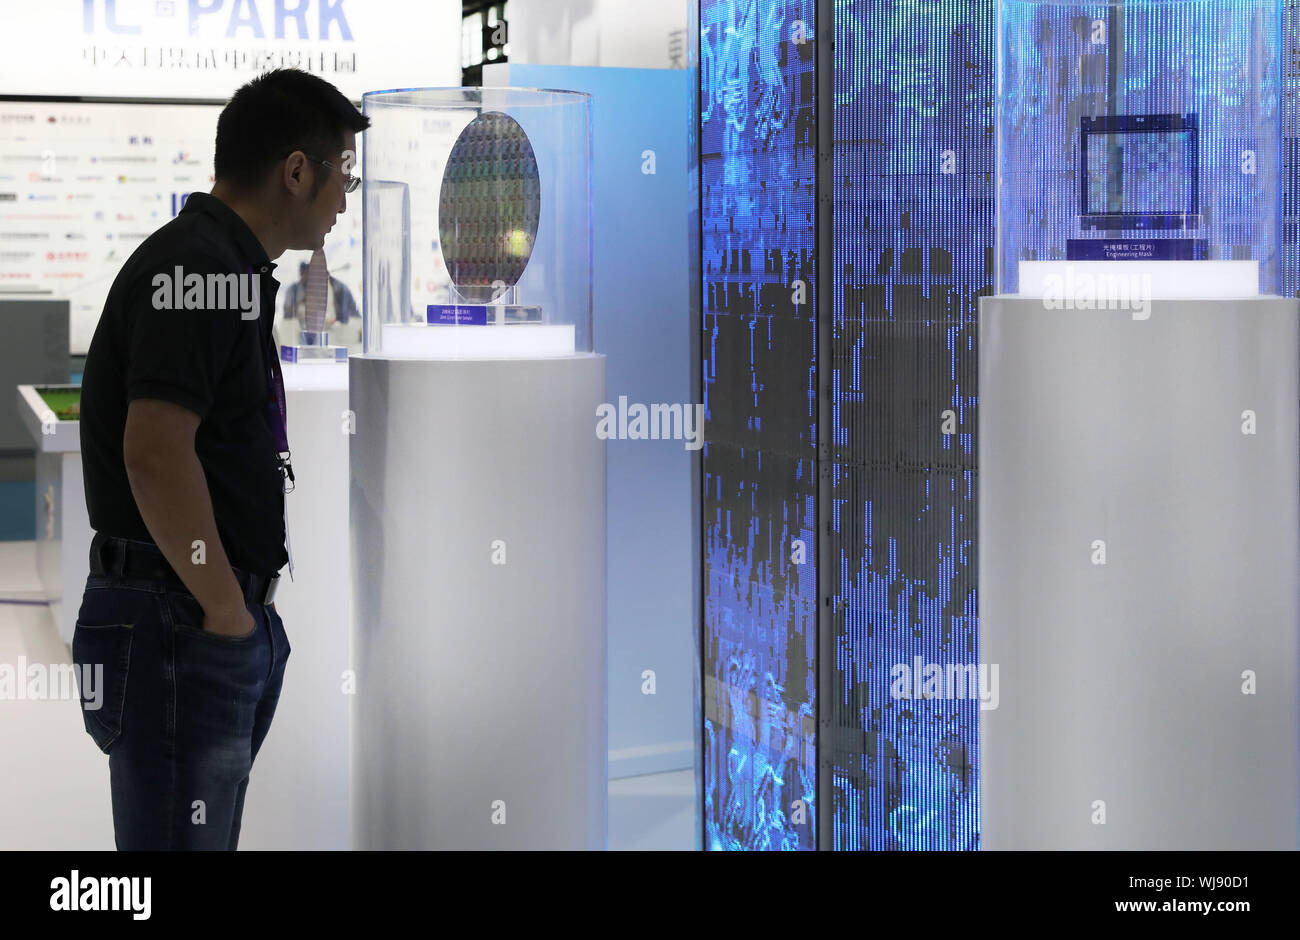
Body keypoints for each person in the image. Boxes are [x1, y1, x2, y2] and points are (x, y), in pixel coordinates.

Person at [74, 68, 368, 850]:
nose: (346, 198)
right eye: (344, 174)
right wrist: (224, 610)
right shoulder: (201, 267)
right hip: (182, 617)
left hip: (194, 614)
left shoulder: (220, 264)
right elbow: (156, 453)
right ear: (296, 171)